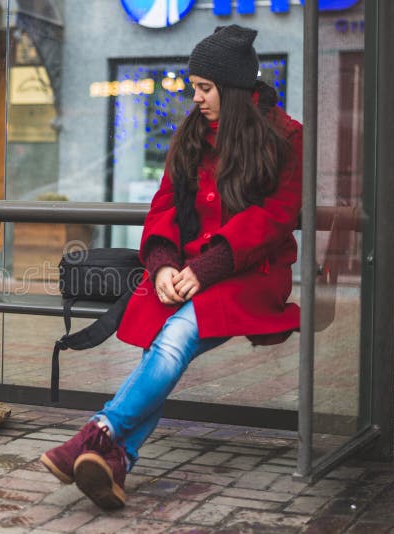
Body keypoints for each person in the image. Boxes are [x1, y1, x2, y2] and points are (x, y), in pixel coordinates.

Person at [40, 24, 303, 510]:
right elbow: (163, 206)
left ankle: (97, 433)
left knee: (175, 338)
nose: (196, 97)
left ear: (233, 88)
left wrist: (208, 266)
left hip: (248, 276)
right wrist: (161, 264)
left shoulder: (284, 137)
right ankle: (117, 462)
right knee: (165, 347)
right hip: (184, 273)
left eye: (205, 88)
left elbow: (273, 218)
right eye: (195, 87)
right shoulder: (191, 134)